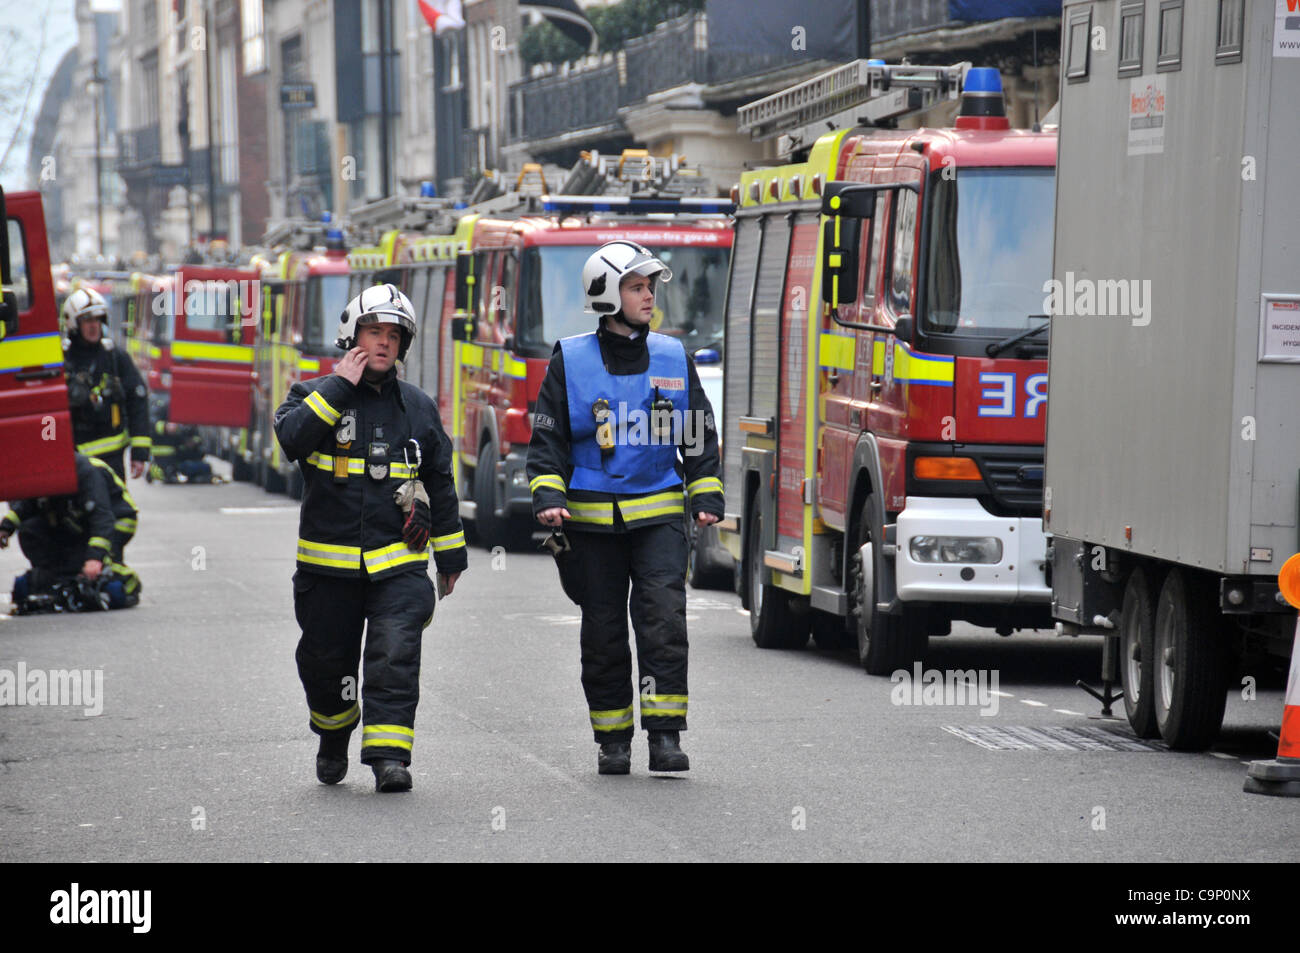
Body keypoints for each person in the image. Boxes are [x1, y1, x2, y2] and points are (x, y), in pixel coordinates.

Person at [525, 240, 724, 775]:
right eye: (637, 287)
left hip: (658, 514)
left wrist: (705, 490)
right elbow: (548, 444)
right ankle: (612, 741)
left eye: (651, 287)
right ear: (607, 295)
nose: (649, 296)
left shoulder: (671, 356)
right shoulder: (571, 359)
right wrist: (548, 496)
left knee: (663, 621)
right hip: (591, 524)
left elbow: (699, 437)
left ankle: (665, 737)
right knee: (605, 629)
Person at [274, 284, 467, 793]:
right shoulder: (311, 395)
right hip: (327, 570)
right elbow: (291, 440)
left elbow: (442, 481)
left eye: (393, 335)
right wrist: (340, 387)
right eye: (373, 332)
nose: (383, 343)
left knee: (394, 653)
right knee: (324, 663)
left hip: (398, 565)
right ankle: (333, 735)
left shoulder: (418, 409)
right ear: (351, 335)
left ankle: (388, 757)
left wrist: (450, 554)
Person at [2, 452, 141, 612]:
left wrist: (94, 558)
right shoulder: (45, 473)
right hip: (80, 520)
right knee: (35, 531)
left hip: (118, 519)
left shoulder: (87, 473)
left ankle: (124, 576)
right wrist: (6, 527)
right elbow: (28, 504)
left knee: (92, 571)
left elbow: (102, 518)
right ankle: (58, 572)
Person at [62, 288, 151, 481]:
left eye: (98, 319)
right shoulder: (62, 361)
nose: (94, 326)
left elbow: (138, 401)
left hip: (113, 460)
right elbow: (47, 414)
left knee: (118, 510)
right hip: (72, 460)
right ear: (73, 323)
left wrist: (140, 452)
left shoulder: (115, 357)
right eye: (87, 321)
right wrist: (49, 447)